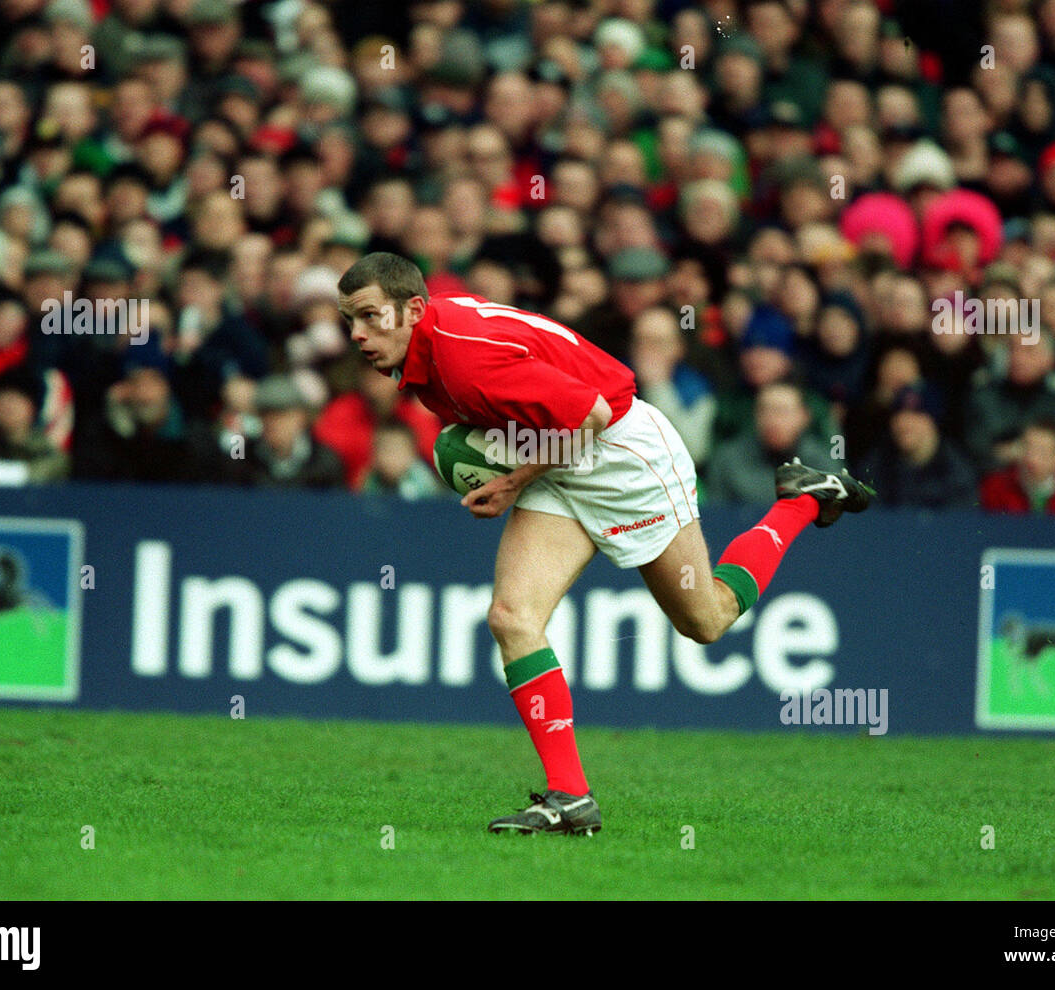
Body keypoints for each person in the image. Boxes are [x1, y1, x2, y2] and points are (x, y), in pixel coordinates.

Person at [337, 252, 874, 835]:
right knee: (512, 617)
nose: (358, 335)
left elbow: (591, 412)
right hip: (559, 458)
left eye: (370, 316)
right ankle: (570, 797)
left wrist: (514, 479)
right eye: (350, 321)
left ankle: (801, 499)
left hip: (621, 455)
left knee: (706, 620)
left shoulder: (462, 360)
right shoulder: (429, 343)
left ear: (415, 308)